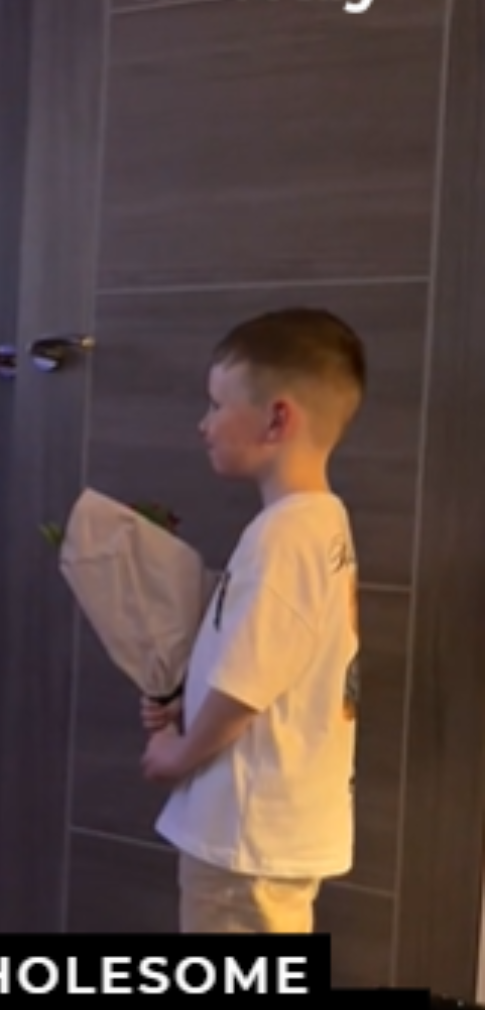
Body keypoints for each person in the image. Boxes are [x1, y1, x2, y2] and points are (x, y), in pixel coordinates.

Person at [138, 308, 364, 935]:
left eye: (216, 405)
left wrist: (178, 754)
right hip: (269, 826)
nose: (203, 424)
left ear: (277, 418)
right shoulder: (319, 522)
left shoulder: (284, 537)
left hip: (243, 836)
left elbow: (244, 688)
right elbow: (266, 657)